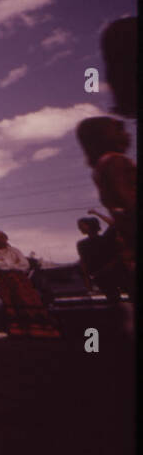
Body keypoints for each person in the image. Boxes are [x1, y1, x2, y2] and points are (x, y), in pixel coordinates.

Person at [76, 116, 136, 262]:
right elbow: (127, 198)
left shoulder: (100, 167)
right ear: (105, 136)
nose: (128, 134)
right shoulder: (115, 161)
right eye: (120, 130)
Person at [76, 217, 134, 332]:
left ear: (90, 225)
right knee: (116, 300)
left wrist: (96, 213)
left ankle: (123, 325)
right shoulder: (83, 244)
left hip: (111, 273)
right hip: (105, 275)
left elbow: (114, 224)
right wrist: (88, 281)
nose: (79, 228)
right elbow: (84, 264)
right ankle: (122, 326)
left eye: (82, 225)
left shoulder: (104, 239)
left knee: (121, 298)